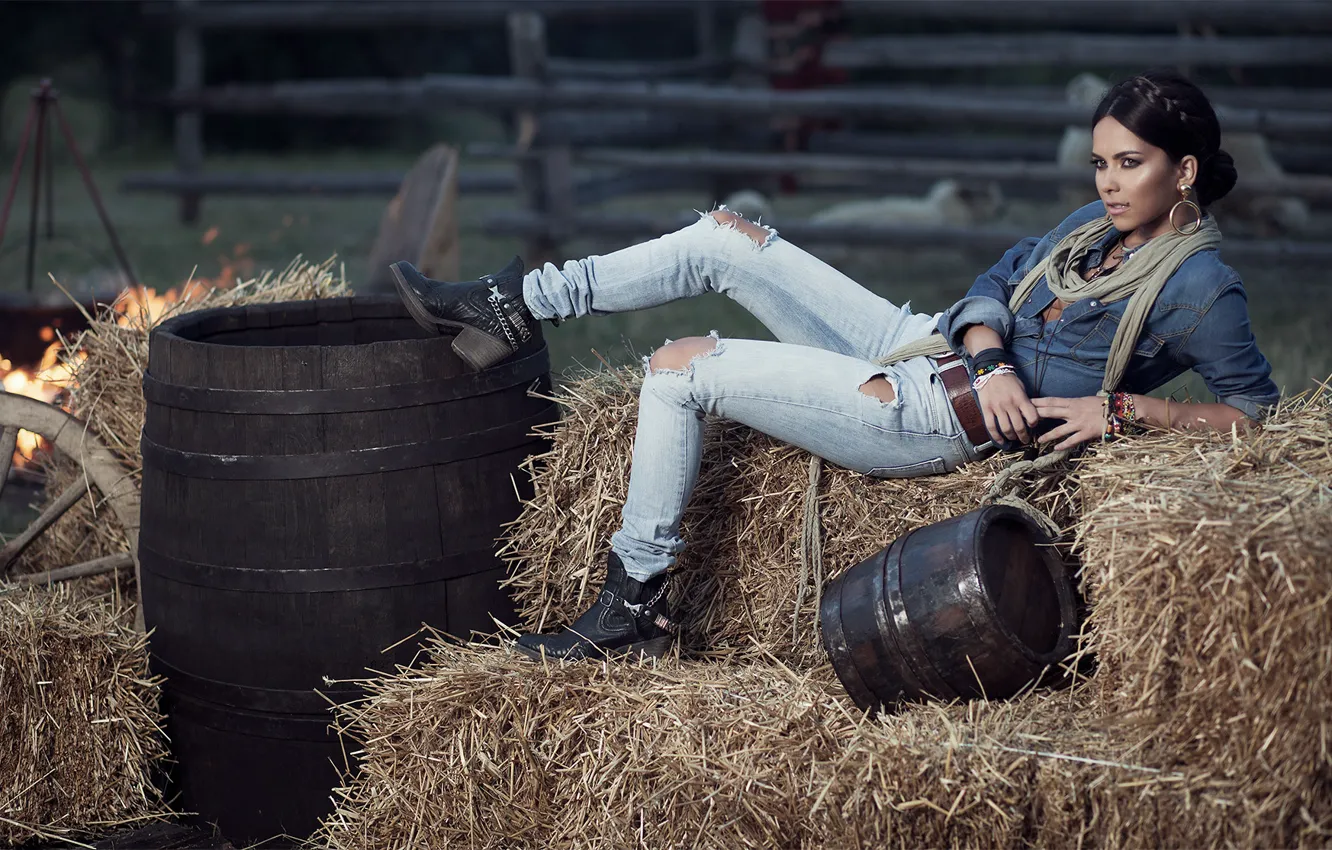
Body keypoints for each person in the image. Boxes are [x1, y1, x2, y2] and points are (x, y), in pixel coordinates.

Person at [390, 69, 1279, 662]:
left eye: (1131, 164)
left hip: (935, 416)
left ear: (1186, 170)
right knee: (723, 235)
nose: (1109, 183)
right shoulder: (1091, 232)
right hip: (928, 343)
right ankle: (516, 305)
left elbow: (1254, 414)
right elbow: (992, 284)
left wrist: (1114, 413)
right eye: (1100, 163)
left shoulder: (1201, 285)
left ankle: (634, 603)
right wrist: (995, 354)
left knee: (678, 370)